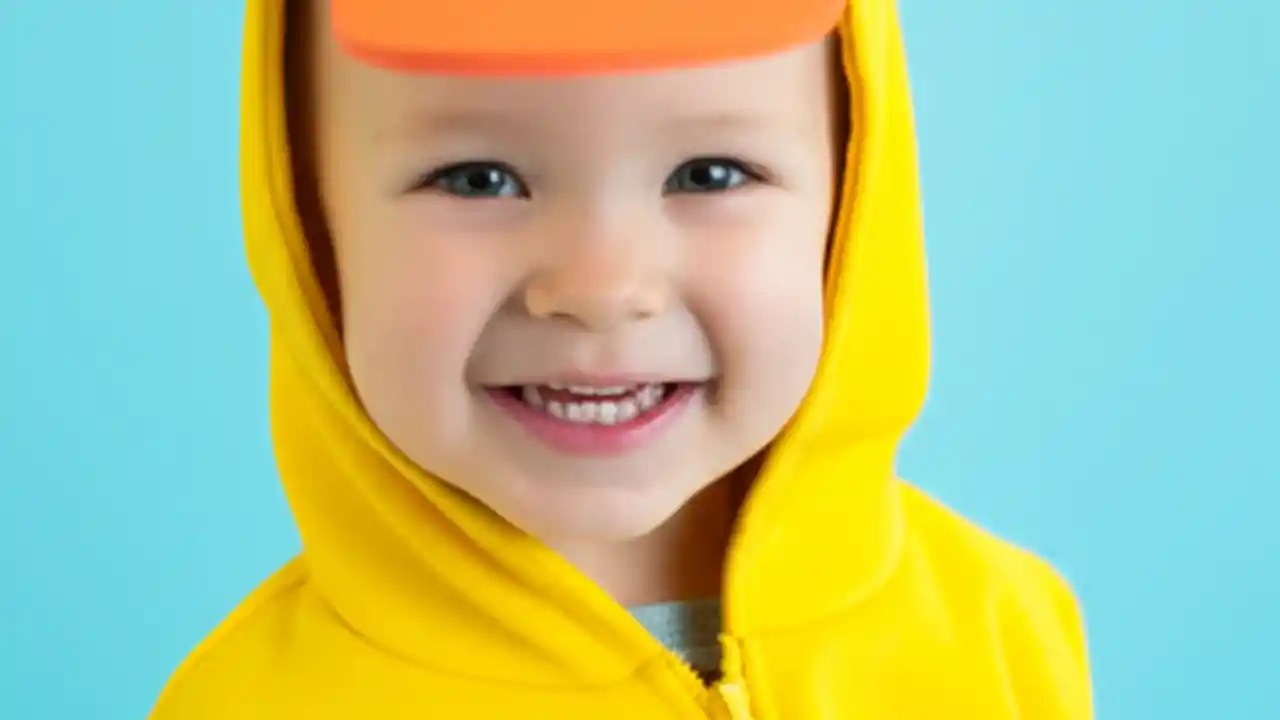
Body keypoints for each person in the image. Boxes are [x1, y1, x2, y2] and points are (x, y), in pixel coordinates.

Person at [152, 0, 1094, 716]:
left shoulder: (1003, 630)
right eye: (477, 179)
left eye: (710, 174)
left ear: (853, 199)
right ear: (310, 226)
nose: (602, 284)